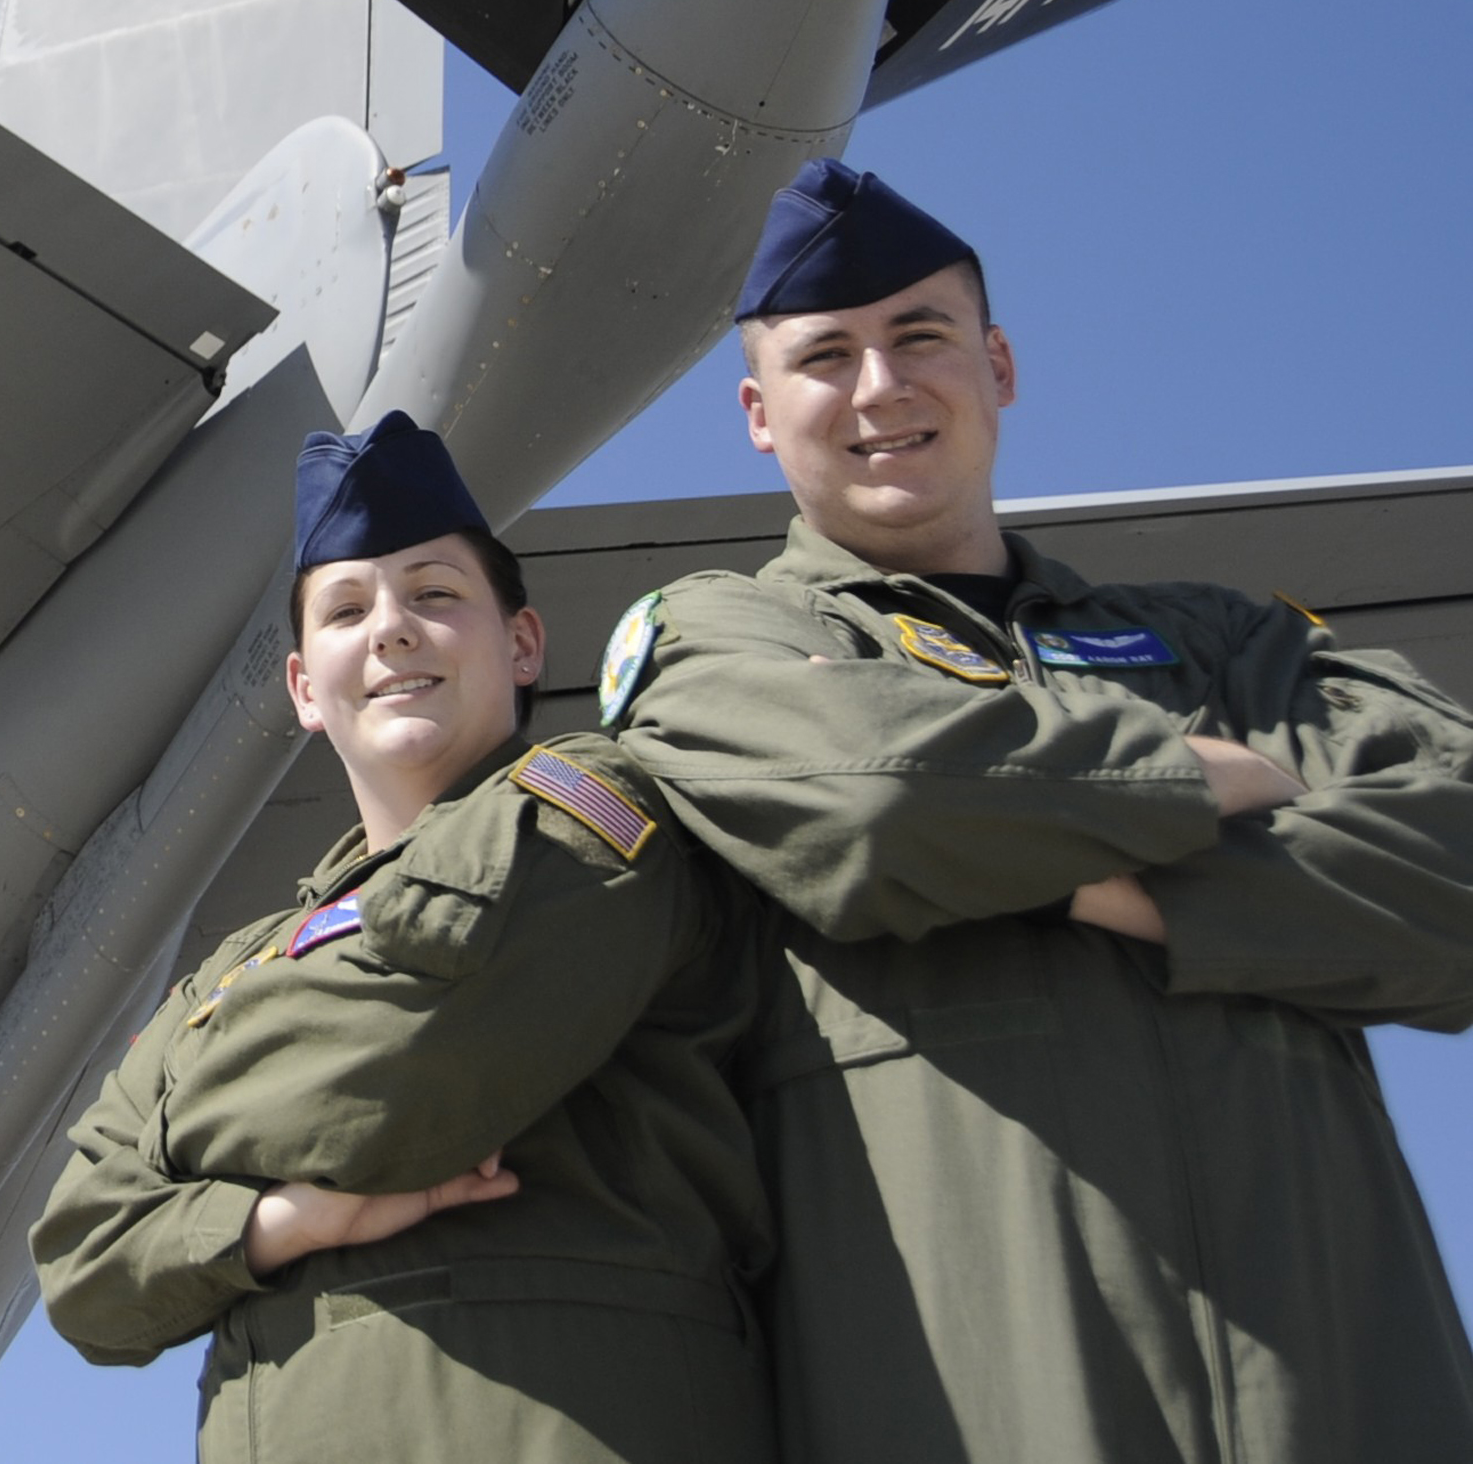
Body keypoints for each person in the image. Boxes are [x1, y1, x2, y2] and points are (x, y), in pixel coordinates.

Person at [603, 156, 1473, 1464]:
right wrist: (1194, 783)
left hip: (1344, 1384)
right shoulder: (722, 643)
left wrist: (1097, 876)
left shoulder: (1228, 642)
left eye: (919, 338)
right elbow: (871, 804)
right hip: (973, 1393)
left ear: (996, 366)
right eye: (824, 357)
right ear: (756, 414)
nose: (880, 387)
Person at [32, 412, 775, 1463]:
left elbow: (412, 1075)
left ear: (521, 642)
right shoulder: (235, 962)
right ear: (302, 689)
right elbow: (82, 1275)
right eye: (346, 610)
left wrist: (186, 1138)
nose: (390, 629)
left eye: (434, 594)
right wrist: (289, 1220)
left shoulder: (591, 810)